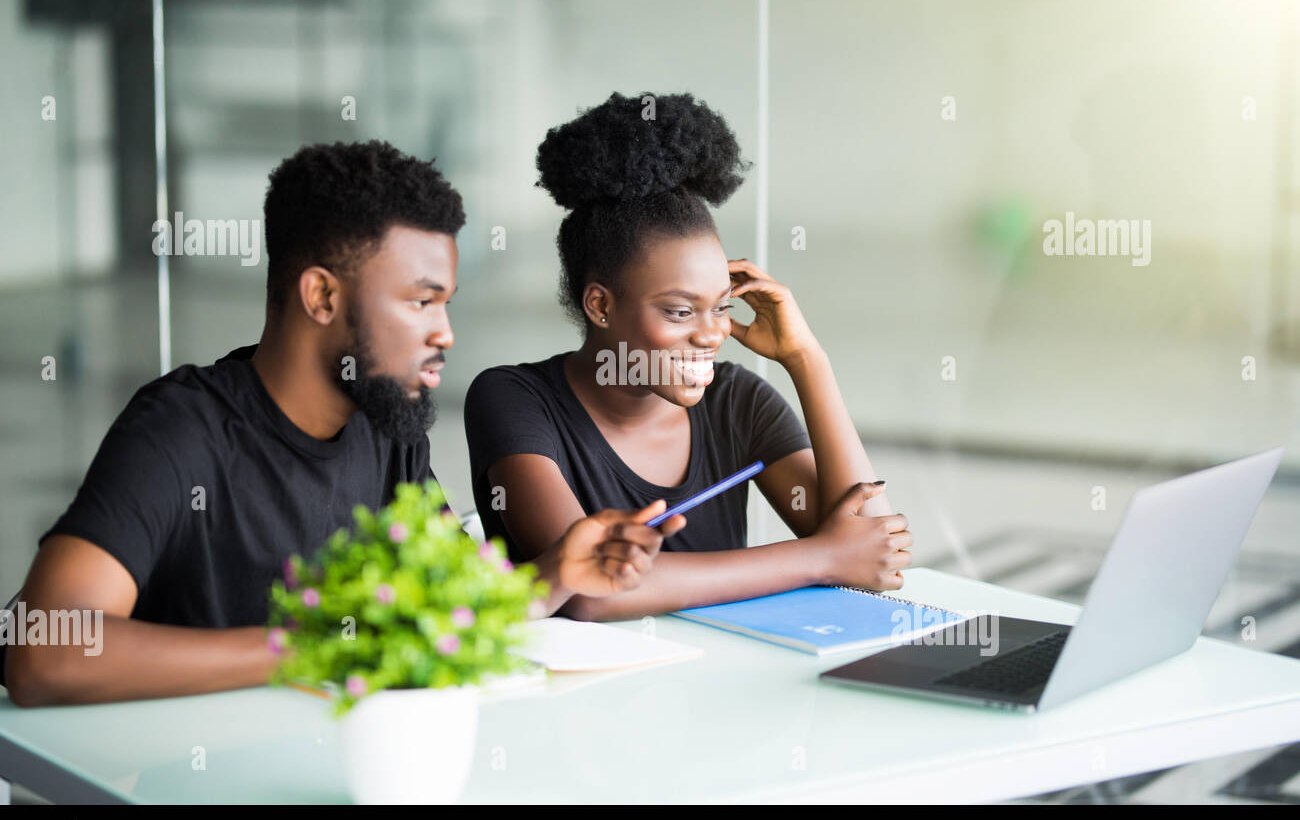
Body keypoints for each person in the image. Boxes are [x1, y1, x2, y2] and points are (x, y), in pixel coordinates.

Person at [3, 140, 682, 707]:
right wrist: (325, 646)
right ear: (322, 295)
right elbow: (43, 651)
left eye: (445, 303)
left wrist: (558, 572)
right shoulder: (180, 430)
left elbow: (444, 612)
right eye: (421, 302)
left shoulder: (389, 431)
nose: (445, 333)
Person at [464, 92, 913, 621]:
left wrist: (806, 359)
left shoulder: (736, 400)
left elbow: (876, 552)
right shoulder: (514, 400)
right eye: (680, 311)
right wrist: (821, 557)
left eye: (721, 306)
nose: (712, 333)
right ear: (600, 305)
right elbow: (588, 587)